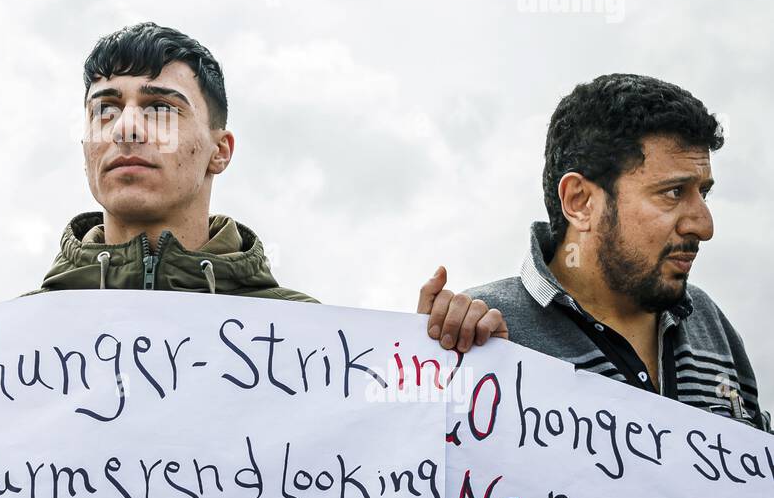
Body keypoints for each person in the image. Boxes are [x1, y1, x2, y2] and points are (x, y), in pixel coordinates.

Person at [33, 22, 506, 353]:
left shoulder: (317, 345)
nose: (127, 128)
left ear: (221, 150)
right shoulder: (3, 351)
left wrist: (442, 365)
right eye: (106, 110)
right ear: (84, 147)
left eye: (161, 109)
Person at [431, 73, 768, 430]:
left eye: (704, 193)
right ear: (580, 201)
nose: (704, 226)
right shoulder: (479, 337)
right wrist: (427, 382)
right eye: (673, 192)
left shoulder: (711, 325)